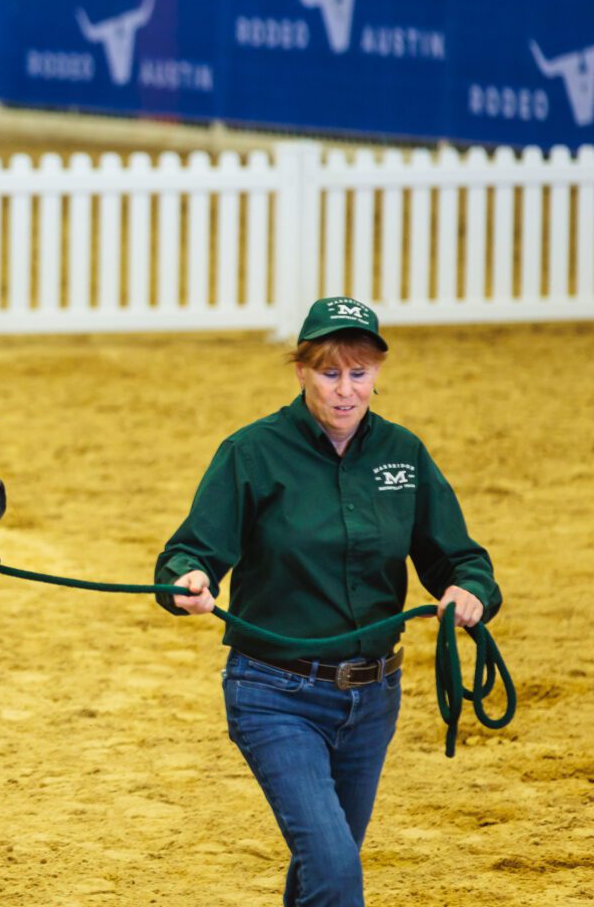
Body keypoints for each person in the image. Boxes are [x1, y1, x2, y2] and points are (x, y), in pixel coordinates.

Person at [154, 296, 503, 906]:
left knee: (324, 863)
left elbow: (458, 557)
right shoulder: (251, 453)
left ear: (377, 373)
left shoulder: (403, 454)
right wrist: (189, 579)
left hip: (375, 700)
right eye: (329, 373)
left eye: (359, 373)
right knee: (336, 867)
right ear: (301, 371)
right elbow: (189, 553)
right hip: (274, 695)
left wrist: (469, 589)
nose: (346, 391)